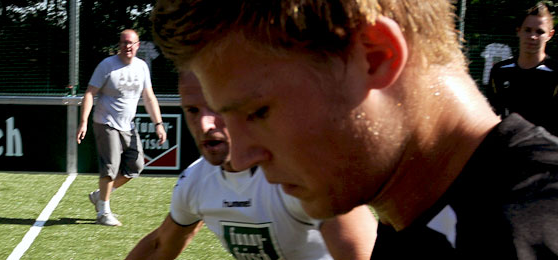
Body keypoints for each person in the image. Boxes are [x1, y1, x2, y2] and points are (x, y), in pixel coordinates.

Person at [152, 0, 558, 258]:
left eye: (258, 112)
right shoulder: (413, 219)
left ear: (375, 57)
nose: (241, 156)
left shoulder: (533, 228)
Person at [126, 72, 377, 260]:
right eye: (192, 110)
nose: (204, 125)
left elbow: (363, 254)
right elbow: (160, 246)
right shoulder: (196, 180)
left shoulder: (305, 173)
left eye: (215, 107)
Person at [77, 29, 167, 226]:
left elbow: (149, 96)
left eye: (131, 43)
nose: (127, 46)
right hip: (106, 122)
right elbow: (90, 93)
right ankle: (103, 212)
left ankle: (100, 195)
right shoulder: (106, 65)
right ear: (119, 45)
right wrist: (83, 121)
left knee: (136, 165)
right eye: (124, 42)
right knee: (110, 167)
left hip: (128, 125)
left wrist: (158, 124)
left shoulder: (142, 67)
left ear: (137, 46)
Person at [487, 2, 558, 133]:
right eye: (527, 30)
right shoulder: (500, 71)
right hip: (508, 147)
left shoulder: (555, 73)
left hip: (547, 149)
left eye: (540, 32)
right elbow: (491, 115)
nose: (532, 36)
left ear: (550, 35)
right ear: (518, 30)